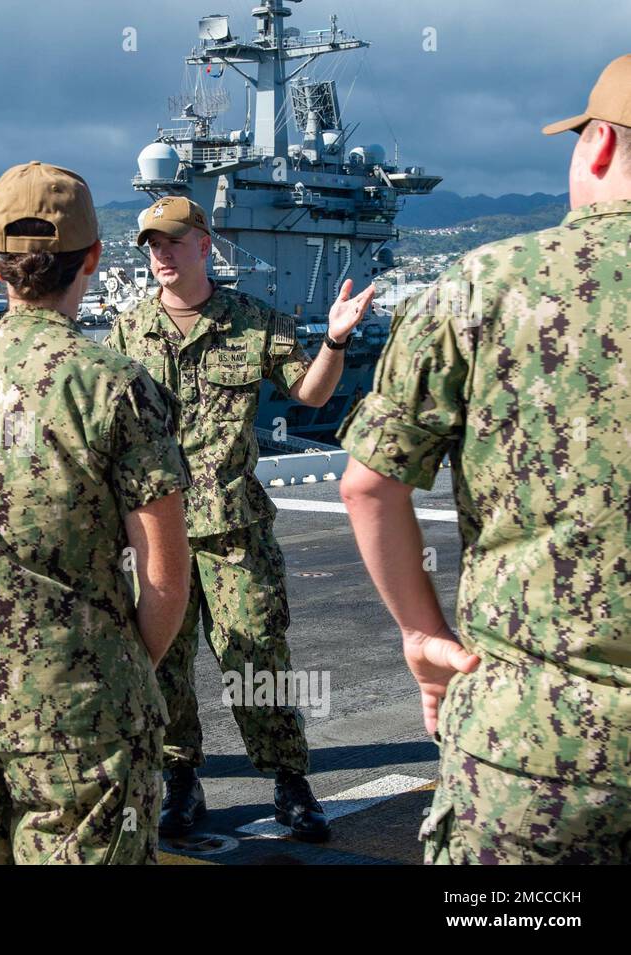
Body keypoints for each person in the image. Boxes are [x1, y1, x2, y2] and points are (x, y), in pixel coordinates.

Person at [339, 54, 631, 864]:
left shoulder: (482, 283)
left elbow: (367, 485)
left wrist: (422, 635)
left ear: (599, 144)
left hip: (528, 753)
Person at [0, 161, 192, 864]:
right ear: (93, 258)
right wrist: (105, 666)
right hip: (81, 716)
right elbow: (167, 578)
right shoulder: (117, 386)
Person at [104, 195, 373, 843]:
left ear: (205, 243)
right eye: (151, 244)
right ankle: (178, 777)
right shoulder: (128, 330)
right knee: (161, 660)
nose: (161, 254)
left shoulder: (250, 321)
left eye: (173, 240)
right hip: (152, 530)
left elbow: (310, 391)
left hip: (233, 529)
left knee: (255, 652)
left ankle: (288, 780)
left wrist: (335, 338)